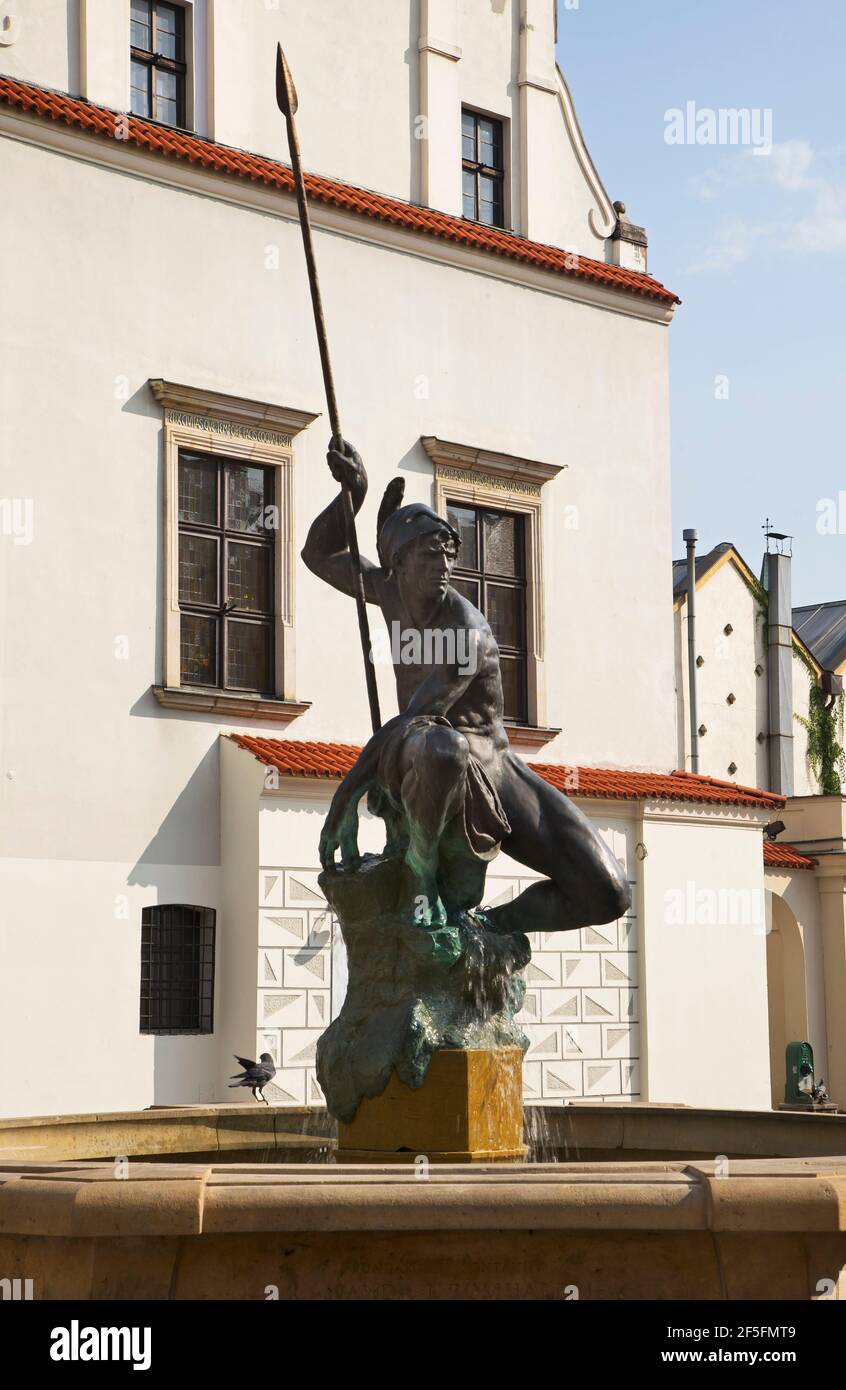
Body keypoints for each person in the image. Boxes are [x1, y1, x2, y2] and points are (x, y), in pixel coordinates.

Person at [301, 438, 631, 935]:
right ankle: (421, 873)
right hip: (426, 752)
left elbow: (421, 708)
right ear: (399, 563)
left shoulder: (468, 629)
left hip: (490, 762)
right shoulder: (389, 594)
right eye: (431, 557)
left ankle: (487, 929)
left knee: (608, 891)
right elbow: (318, 553)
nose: (445, 568)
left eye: (448, 556)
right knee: (444, 746)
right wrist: (353, 492)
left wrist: (345, 795)